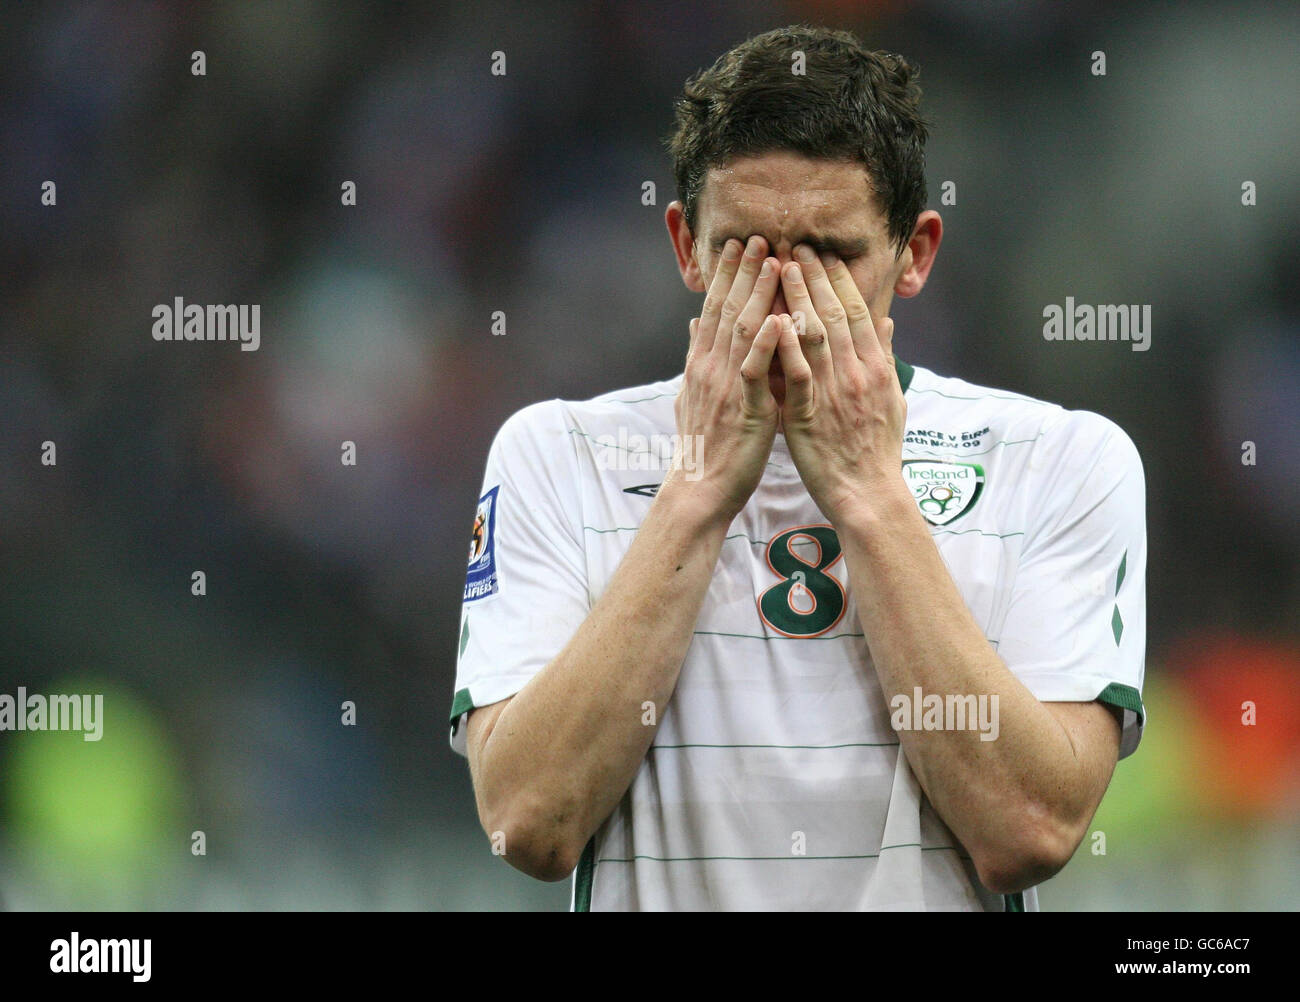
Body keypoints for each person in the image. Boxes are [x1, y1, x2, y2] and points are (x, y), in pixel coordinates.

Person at [449, 24, 1146, 911]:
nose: (785, 298)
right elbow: (528, 823)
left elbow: (1028, 832)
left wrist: (870, 497)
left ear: (916, 252)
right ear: (685, 246)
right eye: (745, 249)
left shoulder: (1062, 461)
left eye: (831, 255)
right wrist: (696, 493)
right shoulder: (557, 455)